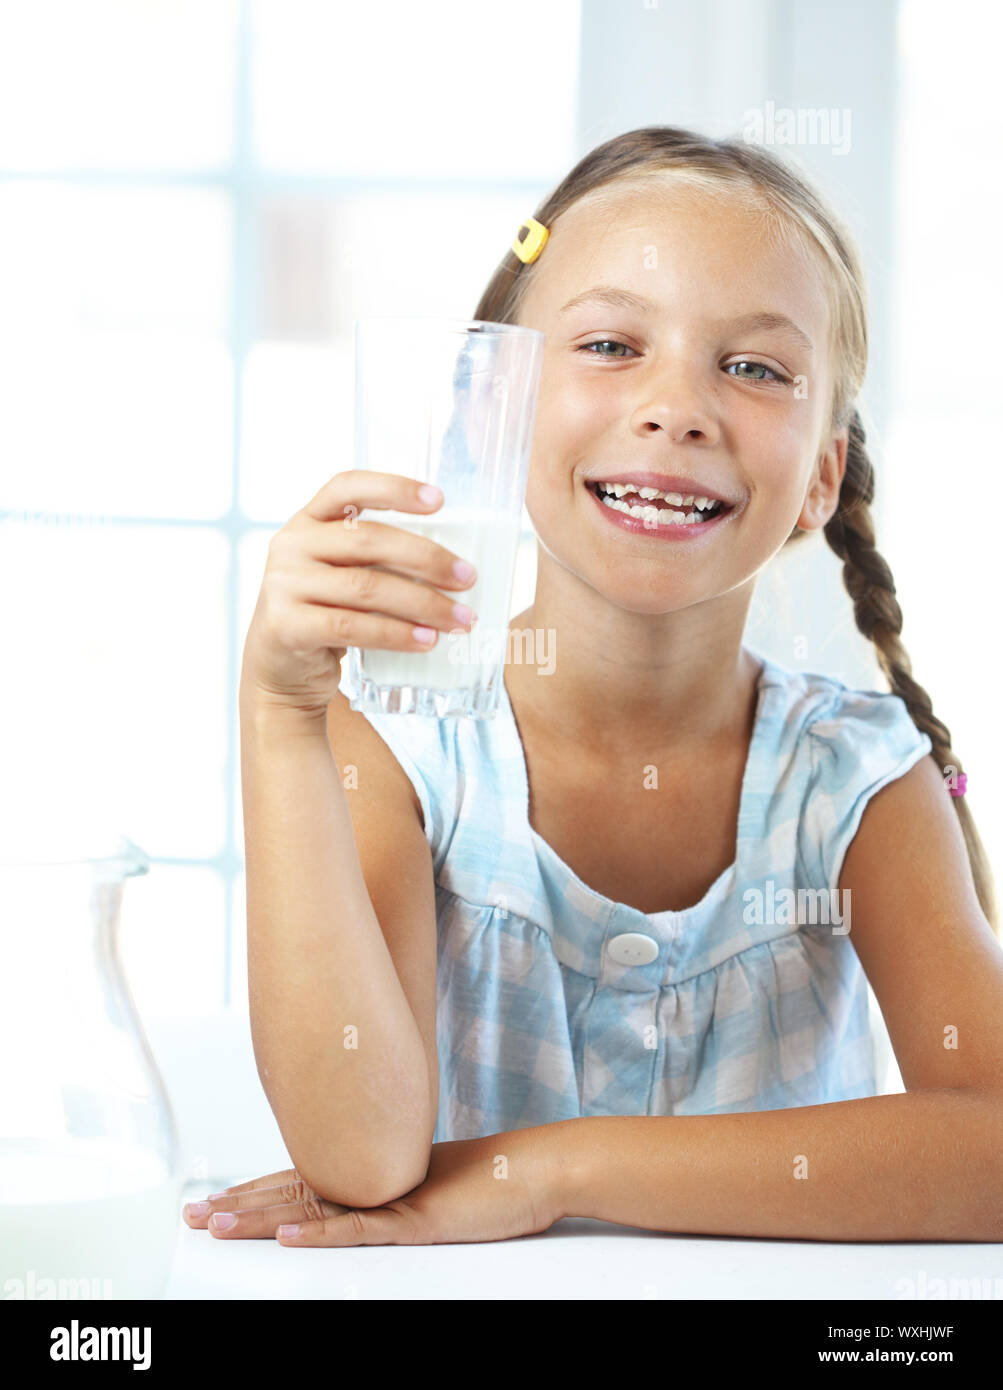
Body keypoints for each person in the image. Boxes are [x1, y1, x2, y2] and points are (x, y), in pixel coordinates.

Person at [185, 126, 1003, 1247]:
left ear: (819, 478)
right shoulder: (399, 746)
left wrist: (553, 1166)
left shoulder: (853, 778)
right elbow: (362, 1156)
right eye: (612, 343)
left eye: (756, 367)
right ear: (491, 414)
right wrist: (280, 714)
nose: (676, 407)